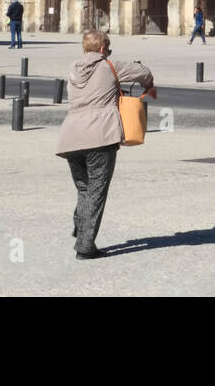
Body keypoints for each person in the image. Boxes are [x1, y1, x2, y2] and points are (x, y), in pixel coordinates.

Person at [54, 30, 157, 259]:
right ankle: (85, 247)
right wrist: (149, 84)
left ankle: (81, 229)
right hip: (100, 137)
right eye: (108, 49)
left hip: (70, 137)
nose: (109, 52)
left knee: (84, 188)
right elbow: (143, 72)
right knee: (97, 191)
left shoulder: (73, 68)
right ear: (102, 49)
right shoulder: (109, 67)